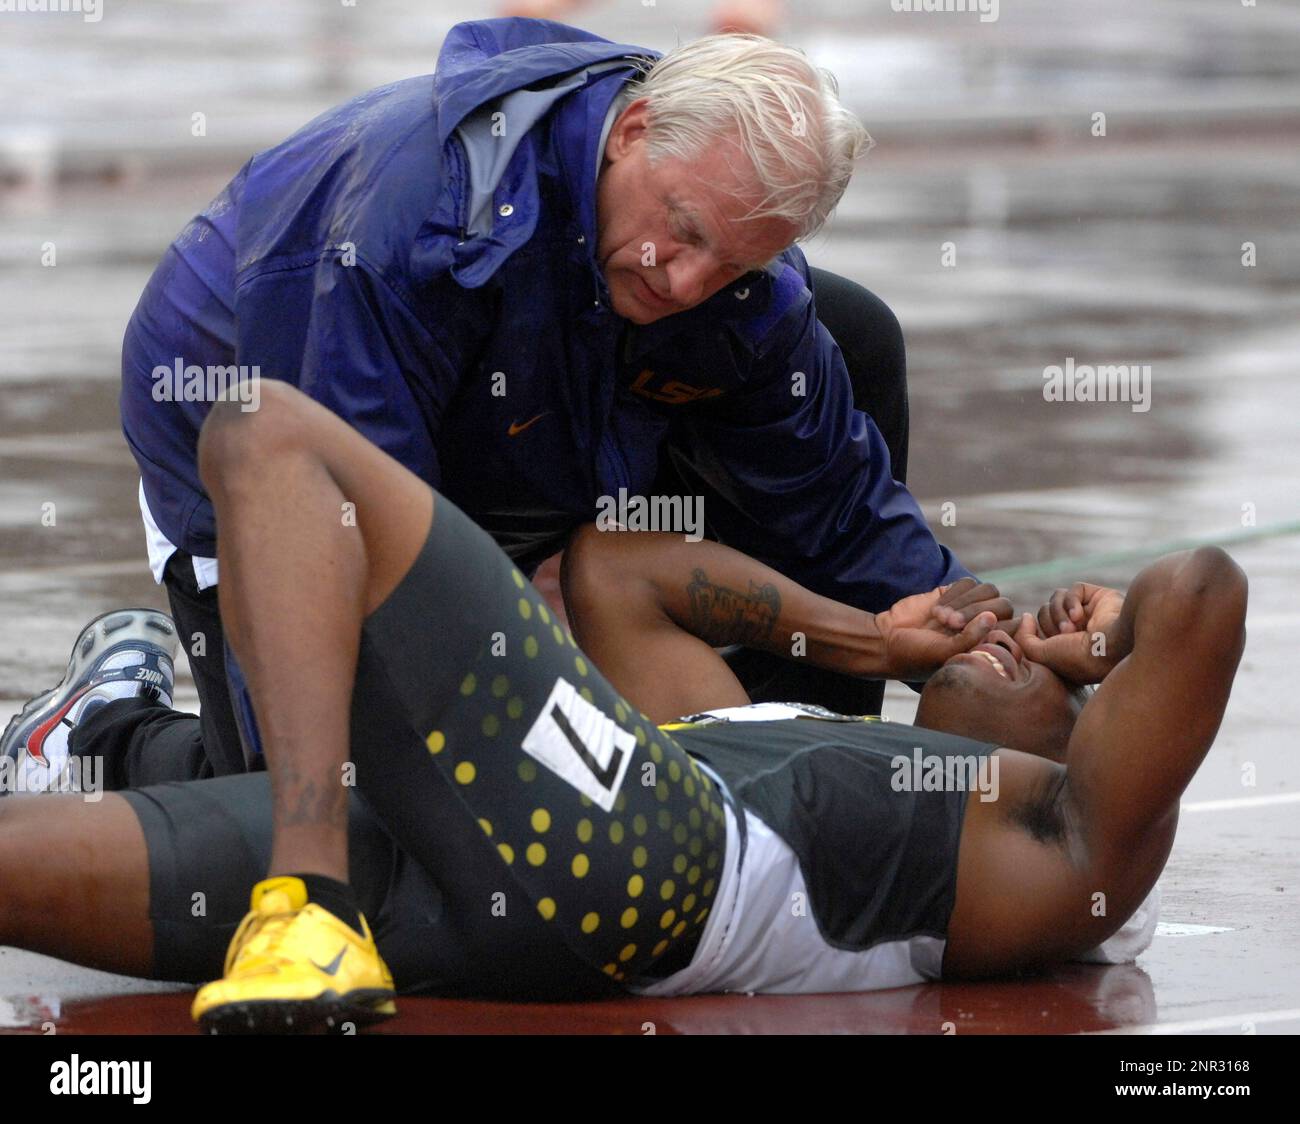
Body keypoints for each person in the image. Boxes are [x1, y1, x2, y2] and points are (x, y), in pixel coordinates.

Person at [0, 385, 1246, 1032]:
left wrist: (1096, 637)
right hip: (480, 880)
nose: (1005, 640)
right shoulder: (780, 739)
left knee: (267, 429)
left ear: (1092, 729)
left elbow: (1204, 593)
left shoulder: (1068, 857)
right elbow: (618, 565)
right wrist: (864, 633)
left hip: (645, 859)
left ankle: (306, 895)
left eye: (1044, 675)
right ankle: (306, 895)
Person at [110, 18, 963, 787]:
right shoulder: (408, 233)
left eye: (736, 264)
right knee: (333, 809)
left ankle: (792, 770)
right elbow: (350, 550)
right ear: (632, 132)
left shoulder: (710, 248)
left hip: (523, 399)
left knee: (844, 334)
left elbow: (843, 510)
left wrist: (986, 638)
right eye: (689, 232)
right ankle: (99, 733)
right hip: (263, 419)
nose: (691, 279)